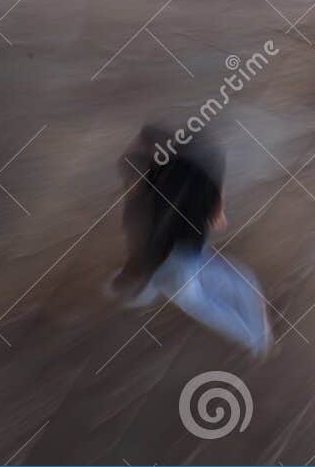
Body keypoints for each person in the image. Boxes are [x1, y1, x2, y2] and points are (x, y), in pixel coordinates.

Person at [111, 126, 272, 355]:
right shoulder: (193, 169)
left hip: (175, 255)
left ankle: (255, 338)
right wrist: (217, 205)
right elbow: (213, 163)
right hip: (188, 248)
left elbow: (154, 236)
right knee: (214, 280)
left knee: (196, 299)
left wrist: (137, 271)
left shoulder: (157, 186)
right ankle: (255, 326)